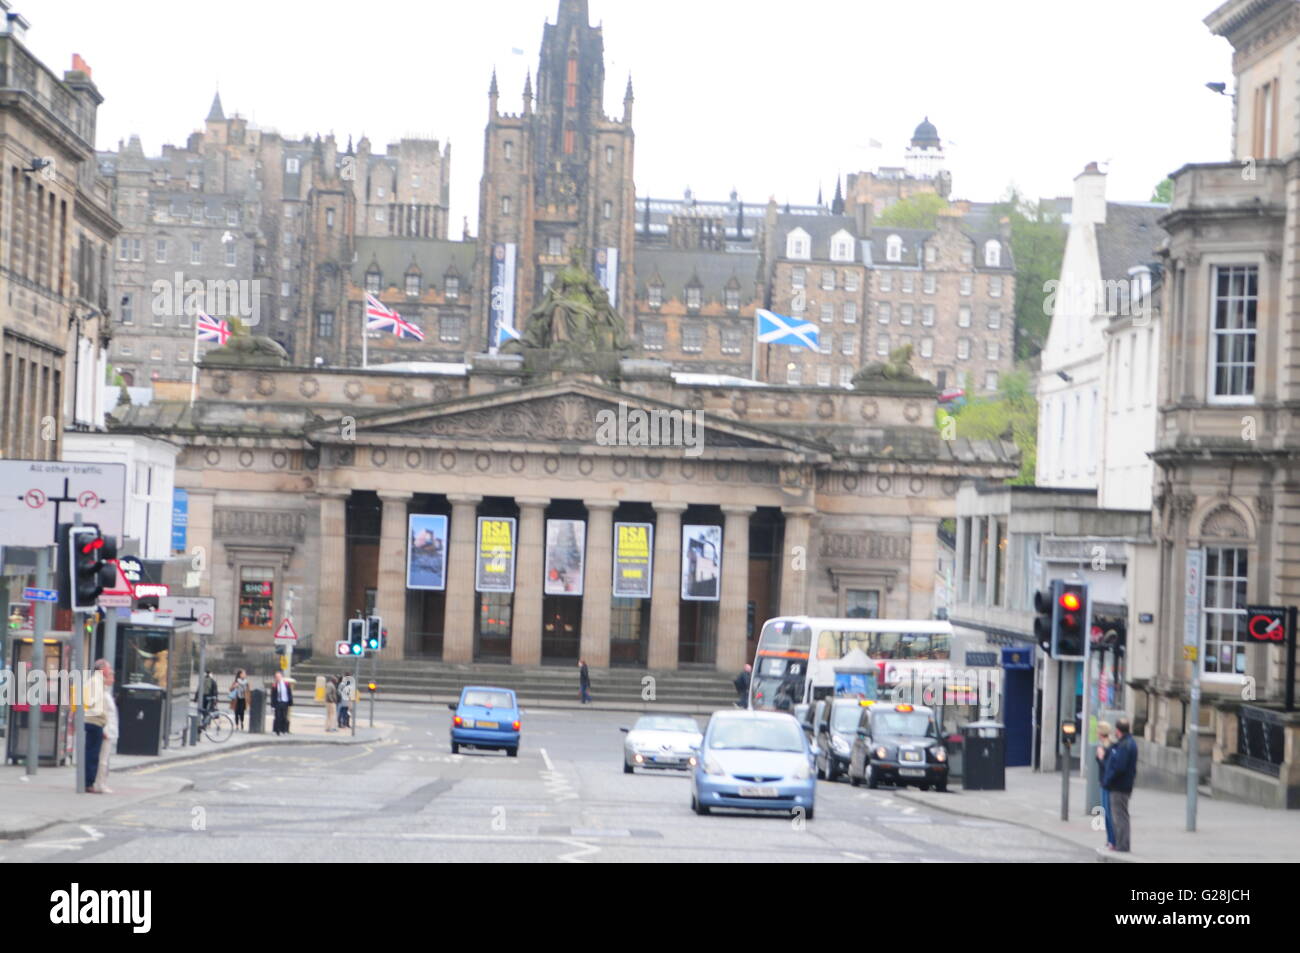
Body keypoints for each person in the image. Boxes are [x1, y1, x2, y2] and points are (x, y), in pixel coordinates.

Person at [1101, 717, 1138, 853]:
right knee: (1121, 815)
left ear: (1117, 730)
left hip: (1119, 787)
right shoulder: (1126, 743)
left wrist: (1108, 780)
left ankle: (1122, 845)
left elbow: (1119, 767)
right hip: (1124, 785)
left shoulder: (1125, 745)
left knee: (1119, 817)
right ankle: (1122, 844)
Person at [85, 659, 115, 794]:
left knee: (93, 754)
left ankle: (89, 782)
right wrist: (103, 722)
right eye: (108, 668)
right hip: (95, 722)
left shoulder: (96, 682)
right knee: (93, 755)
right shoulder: (96, 682)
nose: (110, 671)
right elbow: (95, 704)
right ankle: (89, 783)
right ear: (102, 669)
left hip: (95, 722)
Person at [1095, 721, 1115, 850]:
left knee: (1109, 813)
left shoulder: (1109, 748)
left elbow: (1107, 767)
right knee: (1105, 813)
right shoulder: (1104, 745)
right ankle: (1109, 840)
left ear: (1101, 733)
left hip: (1107, 783)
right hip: (1103, 782)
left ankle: (1113, 840)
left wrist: (1100, 757)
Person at [270, 670, 293, 736]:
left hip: (284, 702)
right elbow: (273, 696)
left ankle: (283, 730)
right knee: (277, 716)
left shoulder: (286, 684)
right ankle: (276, 730)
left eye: (279, 676)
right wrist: (272, 705)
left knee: (284, 717)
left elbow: (289, 693)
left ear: (282, 677)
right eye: (276, 677)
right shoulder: (274, 685)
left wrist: (290, 701)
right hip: (278, 702)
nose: (278, 678)